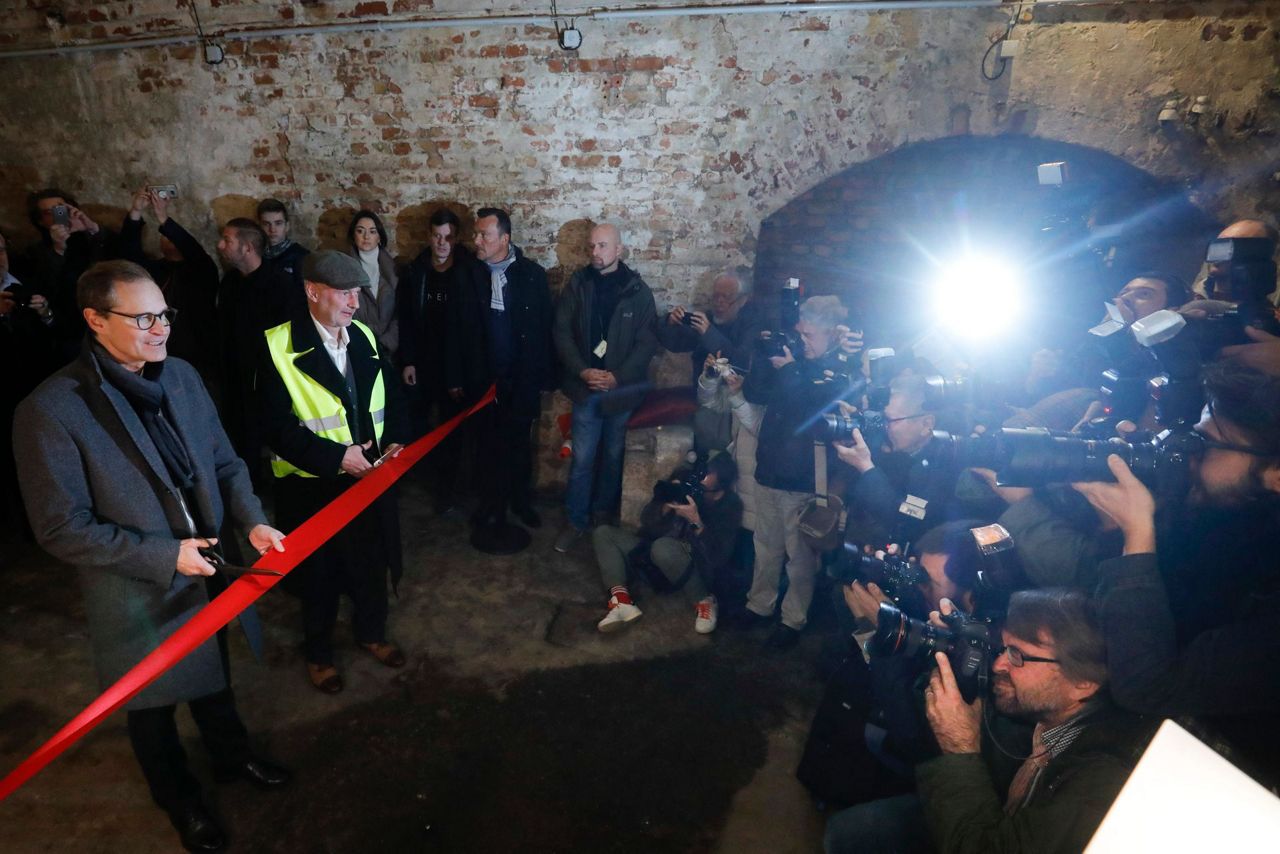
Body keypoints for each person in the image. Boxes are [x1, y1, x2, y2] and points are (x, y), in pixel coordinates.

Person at [12, 260, 290, 853]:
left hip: (211, 564)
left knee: (215, 675)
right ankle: (181, 803)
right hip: (136, 587)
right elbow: (61, 528)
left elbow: (226, 462)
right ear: (94, 319)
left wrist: (254, 520)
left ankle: (232, 757)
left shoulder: (182, 377)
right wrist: (166, 556)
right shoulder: (51, 410)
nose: (160, 329)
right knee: (152, 708)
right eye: (142, 318)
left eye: (164, 314)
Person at [1072, 358, 1280, 787]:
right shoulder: (1226, 518)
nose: (1186, 453)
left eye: (1205, 445)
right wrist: (1132, 519)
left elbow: (1148, 685)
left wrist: (1138, 534)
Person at [823, 589, 1154, 854]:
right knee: (852, 831)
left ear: (1084, 682)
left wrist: (960, 746)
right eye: (1003, 648)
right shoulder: (1045, 712)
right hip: (990, 811)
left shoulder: (1101, 782)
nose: (998, 665)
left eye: (1017, 656)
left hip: (991, 836)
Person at [258, 251, 410, 694]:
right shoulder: (277, 346)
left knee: (370, 563)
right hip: (312, 487)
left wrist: (397, 441)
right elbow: (275, 427)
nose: (354, 303)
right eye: (343, 292)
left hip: (370, 478)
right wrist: (335, 458)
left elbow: (393, 396)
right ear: (312, 291)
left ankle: (372, 633)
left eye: (357, 292)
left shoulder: (363, 335)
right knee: (319, 575)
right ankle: (319, 654)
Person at [739, 295, 857, 649]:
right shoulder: (794, 359)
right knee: (765, 547)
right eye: (799, 332)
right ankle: (759, 605)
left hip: (804, 479)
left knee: (800, 558)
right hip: (770, 471)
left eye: (810, 335)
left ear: (832, 335)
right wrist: (765, 355)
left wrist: (788, 369)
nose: (801, 340)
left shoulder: (837, 372)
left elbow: (807, 403)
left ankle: (792, 619)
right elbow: (755, 391)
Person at [448, 207, 554, 547]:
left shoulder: (532, 276)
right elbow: (455, 331)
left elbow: (543, 329)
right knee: (486, 447)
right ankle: (490, 505)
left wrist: (542, 377)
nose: (476, 241)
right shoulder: (466, 274)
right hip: (482, 380)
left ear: (504, 239)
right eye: (476, 235)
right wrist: (456, 376)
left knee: (519, 446)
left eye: (484, 236)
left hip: (520, 379)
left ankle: (519, 502)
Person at [553, 223, 658, 552]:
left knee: (612, 456)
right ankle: (576, 520)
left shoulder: (638, 292)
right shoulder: (578, 285)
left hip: (620, 391)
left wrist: (618, 377)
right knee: (583, 459)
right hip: (586, 389)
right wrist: (583, 370)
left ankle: (601, 517)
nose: (595, 253)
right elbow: (561, 331)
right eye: (592, 246)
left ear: (619, 250)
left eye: (602, 246)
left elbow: (646, 343)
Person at [592, 453, 743, 634]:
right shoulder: (686, 481)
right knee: (604, 534)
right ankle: (622, 602)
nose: (698, 491)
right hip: (652, 552)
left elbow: (718, 556)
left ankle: (704, 600)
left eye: (703, 489)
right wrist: (665, 508)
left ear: (719, 492)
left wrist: (697, 522)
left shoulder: (730, 506)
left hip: (691, 563)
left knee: (662, 547)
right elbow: (646, 519)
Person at [835, 373, 966, 547]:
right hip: (857, 544)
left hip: (901, 555)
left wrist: (866, 467)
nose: (884, 426)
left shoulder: (942, 463)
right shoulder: (882, 443)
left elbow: (912, 513)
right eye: (881, 417)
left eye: (890, 420)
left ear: (926, 424)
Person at [400, 207, 474, 514]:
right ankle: (420, 480)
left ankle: (447, 492)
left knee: (451, 432)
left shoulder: (467, 272)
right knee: (416, 425)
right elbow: (406, 318)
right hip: (423, 362)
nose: (442, 243)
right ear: (429, 236)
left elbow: (471, 327)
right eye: (436, 236)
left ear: (456, 239)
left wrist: (461, 372)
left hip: (452, 366)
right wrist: (408, 360)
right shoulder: (416, 270)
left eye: (448, 237)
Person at [215, 217, 297, 481]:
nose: (220, 245)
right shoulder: (229, 282)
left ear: (248, 247)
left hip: (268, 378)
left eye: (227, 240)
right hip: (234, 377)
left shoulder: (280, 285)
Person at [119, 187, 220, 382]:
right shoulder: (155, 269)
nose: (166, 237)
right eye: (164, 235)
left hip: (197, 353)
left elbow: (193, 250)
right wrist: (135, 212)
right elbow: (128, 256)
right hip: (159, 348)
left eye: (171, 235)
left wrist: (163, 217)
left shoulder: (202, 270)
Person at [18, 187, 112, 362]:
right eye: (49, 212)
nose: (57, 215)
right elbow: (50, 291)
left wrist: (91, 228)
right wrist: (59, 249)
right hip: (69, 332)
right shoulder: (35, 253)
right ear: (40, 221)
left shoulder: (89, 239)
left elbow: (114, 259)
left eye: (62, 209)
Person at [343, 208, 400, 358]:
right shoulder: (344, 271)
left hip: (390, 351)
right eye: (360, 231)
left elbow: (400, 313)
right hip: (358, 349)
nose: (366, 236)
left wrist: (386, 342)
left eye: (372, 231)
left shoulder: (394, 271)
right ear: (353, 236)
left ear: (379, 237)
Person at [257, 197, 309, 283]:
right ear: (259, 227)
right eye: (266, 224)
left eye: (278, 223)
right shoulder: (255, 255)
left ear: (287, 226)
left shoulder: (301, 256)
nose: (272, 230)